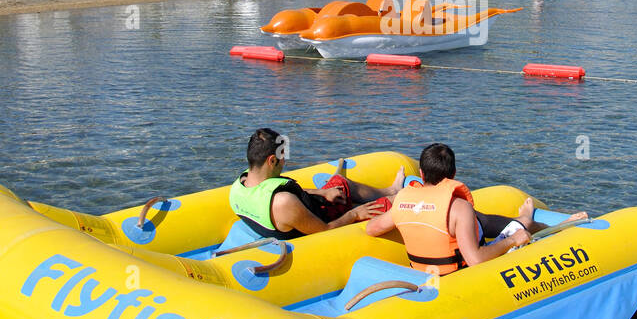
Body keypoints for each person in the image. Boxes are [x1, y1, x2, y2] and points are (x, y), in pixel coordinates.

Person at [366, 143, 584, 274]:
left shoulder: (403, 200)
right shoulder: (459, 208)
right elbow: (475, 260)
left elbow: (372, 229)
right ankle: (558, 226)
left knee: (482, 220)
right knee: (523, 225)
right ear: (452, 174)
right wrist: (513, 240)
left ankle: (521, 220)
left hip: (423, 273)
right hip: (457, 277)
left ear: (421, 174)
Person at [229, 128, 404, 239]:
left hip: (309, 208)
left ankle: (390, 189)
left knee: (339, 183)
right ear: (272, 160)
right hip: (324, 221)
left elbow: (270, 192)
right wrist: (355, 214)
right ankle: (399, 195)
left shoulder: (241, 184)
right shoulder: (284, 202)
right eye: (282, 158)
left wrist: (321, 193)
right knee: (387, 204)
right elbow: (325, 230)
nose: (284, 162)